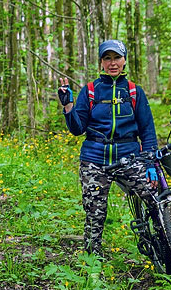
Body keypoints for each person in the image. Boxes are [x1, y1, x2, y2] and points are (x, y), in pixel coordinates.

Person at [58, 39, 159, 258]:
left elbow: (148, 131)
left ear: (124, 60)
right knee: (95, 214)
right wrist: (68, 106)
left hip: (130, 158)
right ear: (101, 62)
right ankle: (93, 262)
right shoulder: (91, 90)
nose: (112, 63)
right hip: (94, 159)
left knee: (158, 200)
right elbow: (77, 129)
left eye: (117, 58)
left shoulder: (134, 91)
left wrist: (151, 164)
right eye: (107, 58)